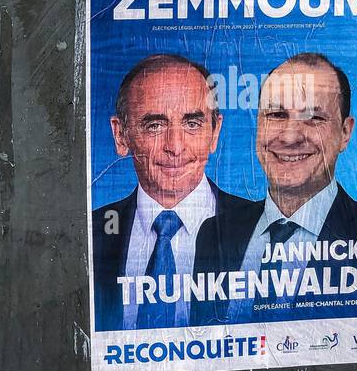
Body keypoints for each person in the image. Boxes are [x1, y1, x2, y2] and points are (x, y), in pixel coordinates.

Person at [209, 53, 357, 324]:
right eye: (276, 114)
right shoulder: (213, 233)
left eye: (313, 117)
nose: (290, 136)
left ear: (345, 133)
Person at [91, 54, 254, 332]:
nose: (175, 146)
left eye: (192, 124)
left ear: (215, 133)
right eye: (155, 125)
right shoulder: (92, 231)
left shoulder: (262, 228)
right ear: (121, 136)